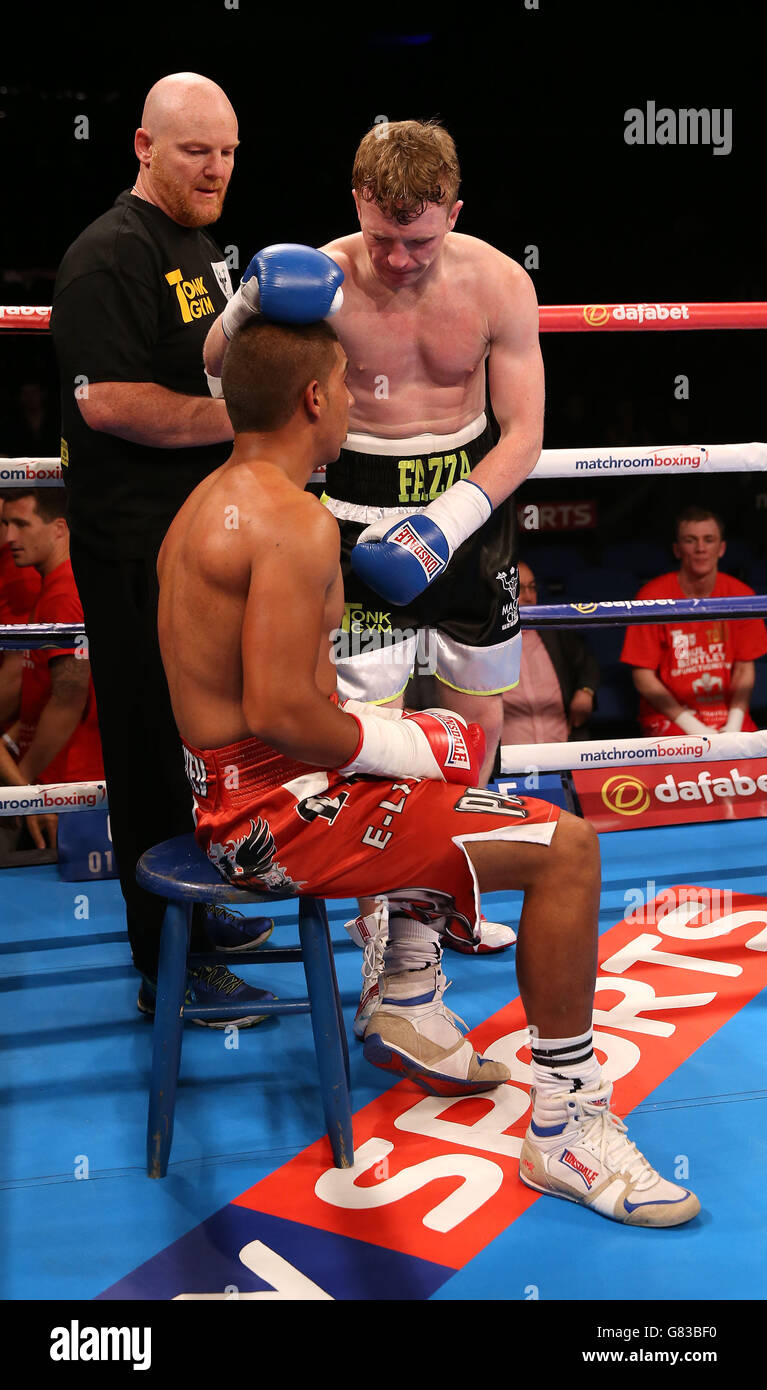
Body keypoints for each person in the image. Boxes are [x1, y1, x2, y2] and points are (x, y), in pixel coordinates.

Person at [158, 312, 699, 1227]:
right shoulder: (290, 521)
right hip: (276, 822)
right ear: (316, 399)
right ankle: (566, 1128)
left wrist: (404, 739)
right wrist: (404, 744)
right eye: (349, 385)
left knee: (440, 751)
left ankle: (406, 994)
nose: (359, 402)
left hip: (238, 797)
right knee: (564, 848)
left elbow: (274, 705)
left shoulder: (210, 501)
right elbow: (282, 714)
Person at [203, 118, 541, 964]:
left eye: (420, 240)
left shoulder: (498, 282)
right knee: (361, 719)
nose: (399, 259)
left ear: (453, 211)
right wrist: (246, 301)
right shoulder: (321, 277)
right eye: (386, 238)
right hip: (352, 515)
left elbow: (524, 433)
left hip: (469, 518)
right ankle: (376, 907)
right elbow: (217, 371)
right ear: (358, 202)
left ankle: (450, 889)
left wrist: (449, 519)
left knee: (476, 714)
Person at [49, 72, 278, 1027]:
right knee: (149, 748)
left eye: (227, 151)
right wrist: (240, 419)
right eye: (196, 151)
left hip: (197, 543)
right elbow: (108, 400)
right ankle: (165, 965)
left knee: (200, 739)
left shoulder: (201, 245)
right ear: (143, 148)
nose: (216, 167)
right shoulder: (109, 254)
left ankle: (194, 919)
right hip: (135, 550)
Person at [0, 489, 102, 851]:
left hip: (64, 790)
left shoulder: (64, 593)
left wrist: (22, 787)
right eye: (6, 523)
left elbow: (69, 698)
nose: (10, 537)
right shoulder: (54, 586)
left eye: (21, 524)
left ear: (59, 528)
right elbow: (42, 689)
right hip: (53, 782)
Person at [620, 506, 767, 736]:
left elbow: (744, 667)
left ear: (722, 548)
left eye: (709, 540)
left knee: (755, 768)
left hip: (728, 715)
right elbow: (643, 676)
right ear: (677, 550)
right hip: (670, 715)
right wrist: (693, 727)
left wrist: (734, 725)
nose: (700, 549)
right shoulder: (651, 597)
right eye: (691, 540)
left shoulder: (742, 596)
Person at [502, 560, 600, 746]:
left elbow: (587, 662)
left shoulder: (554, 630)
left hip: (561, 748)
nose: (530, 597)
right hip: (508, 758)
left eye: (533, 588)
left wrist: (586, 691)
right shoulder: (483, 643)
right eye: (519, 589)